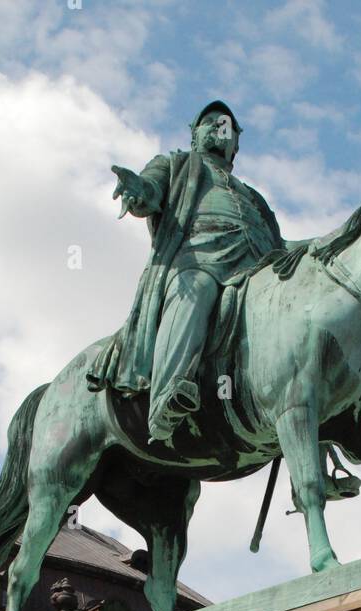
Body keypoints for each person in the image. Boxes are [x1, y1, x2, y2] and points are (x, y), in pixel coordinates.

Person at [87, 100, 286, 444]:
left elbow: (281, 244)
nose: (217, 128)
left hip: (256, 269)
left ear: (235, 142)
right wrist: (137, 189)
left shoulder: (254, 198)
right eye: (209, 122)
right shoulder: (177, 164)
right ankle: (165, 399)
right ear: (194, 136)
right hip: (199, 260)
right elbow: (150, 189)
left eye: (225, 125)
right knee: (197, 289)